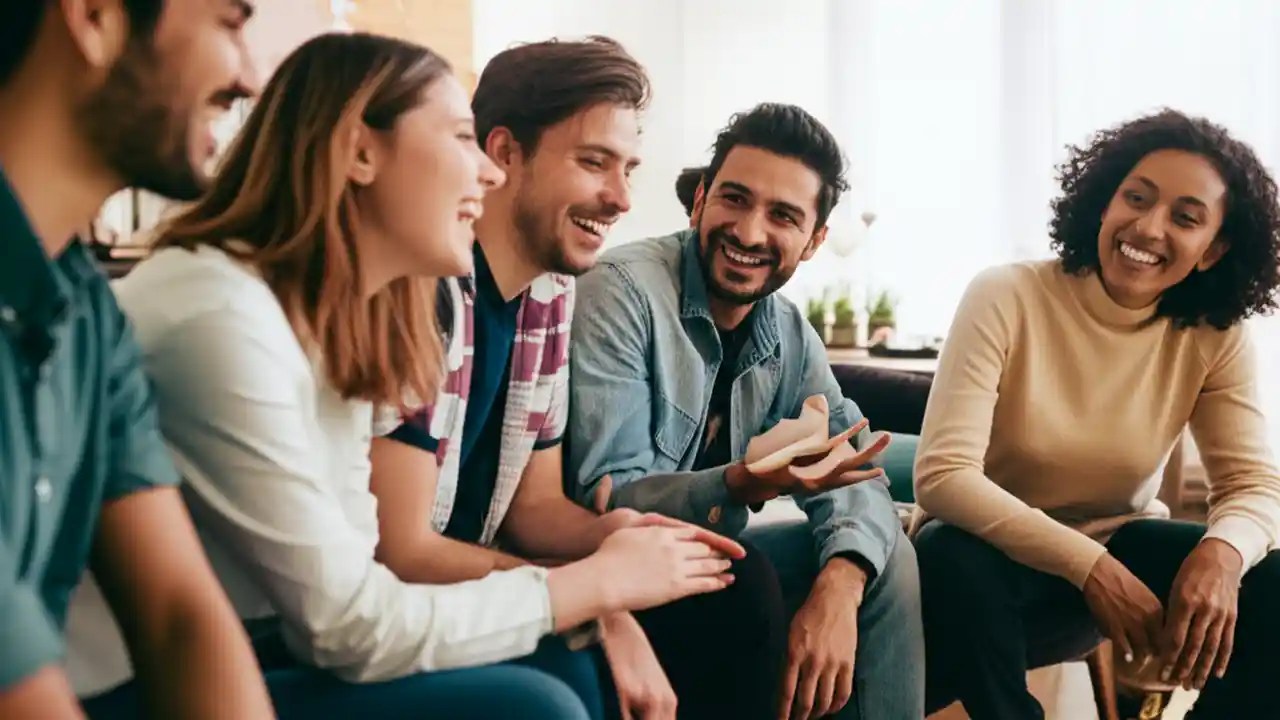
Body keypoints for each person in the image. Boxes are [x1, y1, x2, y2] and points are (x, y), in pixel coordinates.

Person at [65, 32, 744, 720]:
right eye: (460, 139)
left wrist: (604, 566)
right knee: (533, 706)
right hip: (128, 683)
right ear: (360, 152)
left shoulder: (347, 317)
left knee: (561, 675)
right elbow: (355, 613)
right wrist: (591, 588)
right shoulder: (221, 317)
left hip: (262, 643)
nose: (485, 173)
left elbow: (356, 574)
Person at [369, 37, 788, 720]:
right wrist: (599, 600)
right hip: (415, 597)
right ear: (503, 153)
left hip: (488, 574)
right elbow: (401, 551)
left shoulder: (551, 292)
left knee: (735, 581)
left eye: (628, 168)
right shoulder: (427, 286)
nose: (621, 198)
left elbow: (532, 509)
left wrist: (617, 532)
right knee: (586, 675)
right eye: (594, 162)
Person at [913, 109, 1280, 719]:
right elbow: (944, 478)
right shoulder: (1007, 294)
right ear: (1104, 203)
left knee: (1272, 582)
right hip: (984, 563)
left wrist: (1222, 554)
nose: (1149, 225)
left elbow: (1254, 485)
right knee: (953, 554)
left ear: (1213, 250)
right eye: (1135, 198)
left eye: (1185, 217)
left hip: (1117, 549)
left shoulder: (1216, 335)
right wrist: (1091, 567)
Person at [567, 102, 926, 720]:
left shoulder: (787, 331)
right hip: (609, 569)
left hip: (706, 560)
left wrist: (840, 584)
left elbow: (854, 468)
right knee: (752, 574)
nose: (751, 232)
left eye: (783, 216)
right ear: (700, 199)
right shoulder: (620, 292)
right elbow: (608, 499)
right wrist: (741, 482)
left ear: (813, 241)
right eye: (735, 199)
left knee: (883, 557)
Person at [0, 1, 274, 717]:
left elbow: (181, 614)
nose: (250, 75)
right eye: (229, 23)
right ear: (94, 16)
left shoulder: (84, 304)